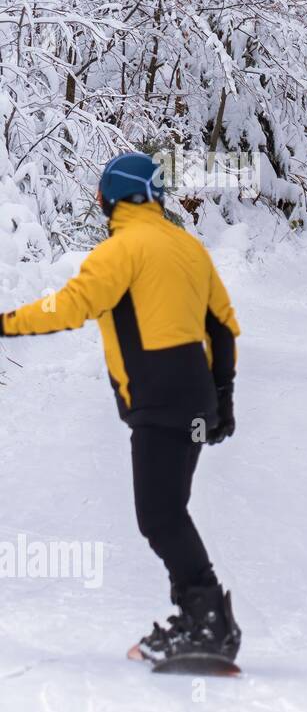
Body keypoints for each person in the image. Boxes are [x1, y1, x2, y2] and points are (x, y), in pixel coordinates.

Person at [0, 152, 242, 663]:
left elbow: (67, 308)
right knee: (168, 511)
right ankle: (198, 618)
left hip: (159, 400)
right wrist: (223, 396)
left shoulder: (120, 251)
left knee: (160, 515)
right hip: (196, 401)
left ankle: (207, 623)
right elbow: (222, 324)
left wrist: (6, 322)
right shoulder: (188, 247)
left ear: (114, 196)